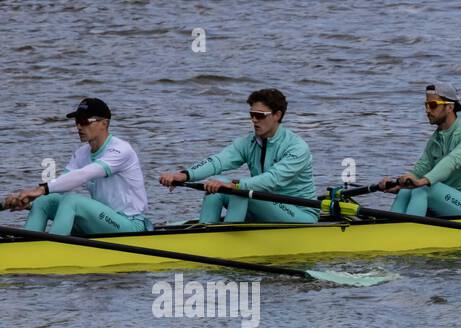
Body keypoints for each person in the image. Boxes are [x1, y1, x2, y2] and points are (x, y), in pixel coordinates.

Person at [158, 89, 318, 223]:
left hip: (299, 212)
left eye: (260, 115)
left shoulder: (297, 147)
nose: (254, 120)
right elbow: (218, 161)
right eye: (252, 115)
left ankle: (227, 239)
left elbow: (272, 179)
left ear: (277, 115)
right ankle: (206, 229)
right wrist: (184, 175)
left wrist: (236, 185)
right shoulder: (249, 142)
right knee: (218, 190)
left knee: (236, 189)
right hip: (267, 203)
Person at [2, 97, 150, 236]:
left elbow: (84, 174)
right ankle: (28, 247)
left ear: (104, 123)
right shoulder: (82, 153)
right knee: (44, 201)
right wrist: (29, 201)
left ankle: (50, 251)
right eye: (77, 121)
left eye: (85, 121)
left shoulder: (120, 150)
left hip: (130, 226)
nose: (79, 126)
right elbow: (62, 185)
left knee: (72, 201)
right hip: (102, 221)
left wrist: (41, 189)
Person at [379, 81, 461, 217]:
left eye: (433, 105)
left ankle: (406, 232)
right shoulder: (435, 139)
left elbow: (451, 162)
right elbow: (419, 170)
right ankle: (392, 228)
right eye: (426, 105)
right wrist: (399, 184)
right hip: (451, 202)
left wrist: (421, 181)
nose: (427, 110)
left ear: (450, 107)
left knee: (424, 188)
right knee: (407, 190)